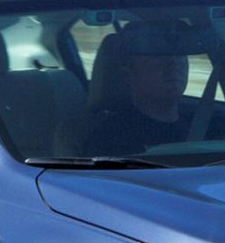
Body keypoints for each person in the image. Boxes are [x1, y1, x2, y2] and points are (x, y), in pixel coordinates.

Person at [80, 25, 196, 158]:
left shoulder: (206, 127)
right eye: (157, 55)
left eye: (179, 53)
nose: (173, 63)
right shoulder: (108, 140)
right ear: (127, 74)